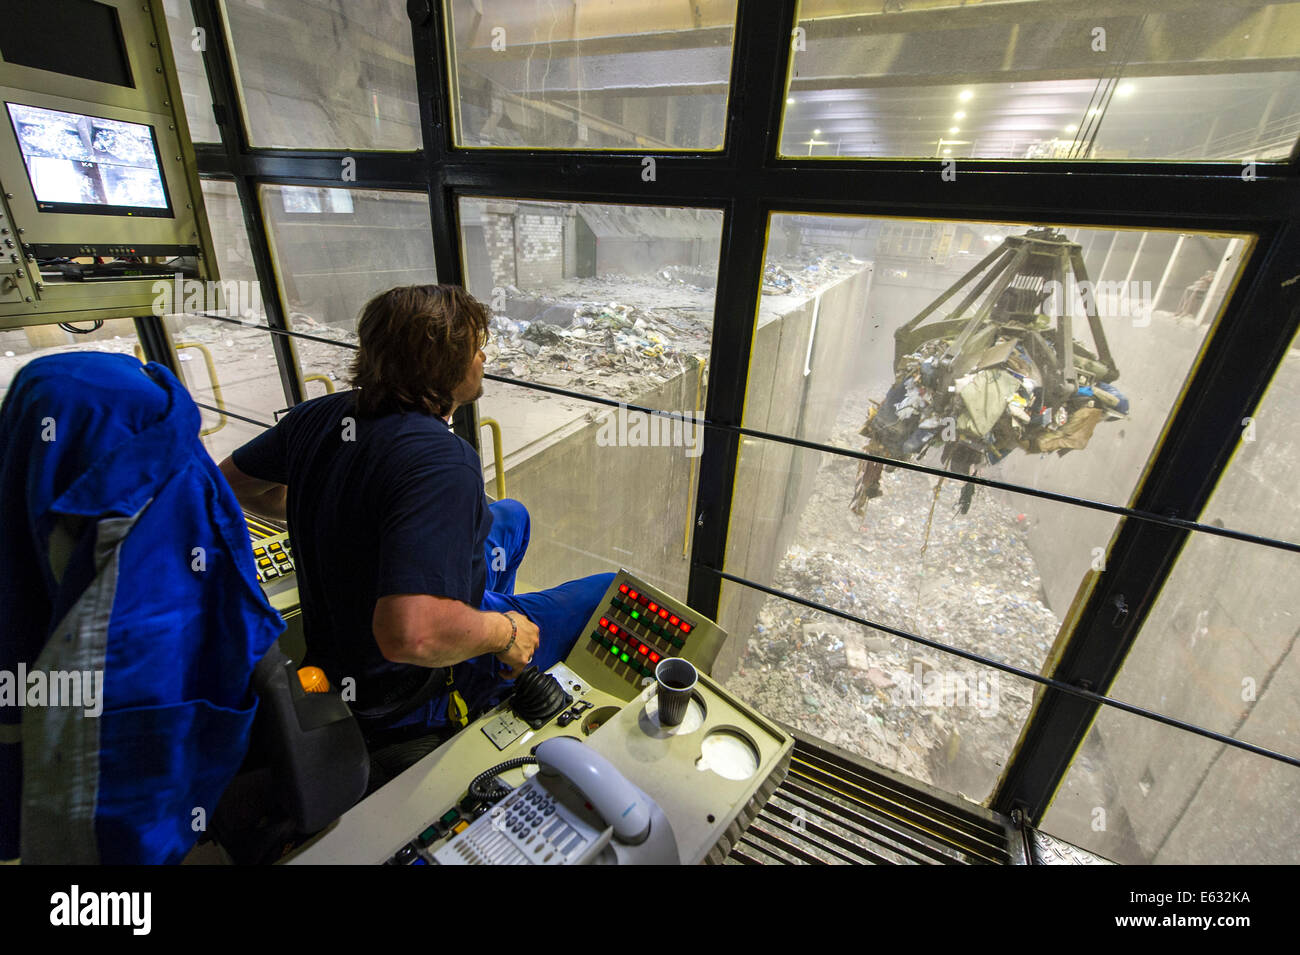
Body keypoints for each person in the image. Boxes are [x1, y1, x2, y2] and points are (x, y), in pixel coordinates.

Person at [219, 285, 613, 783]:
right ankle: (483, 664)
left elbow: (231, 483)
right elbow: (409, 632)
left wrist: (326, 513)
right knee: (607, 593)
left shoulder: (321, 416)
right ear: (446, 367)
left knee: (512, 517)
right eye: (475, 348)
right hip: (405, 692)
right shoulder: (442, 462)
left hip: (336, 644)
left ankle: (468, 614)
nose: (483, 357)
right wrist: (506, 632)